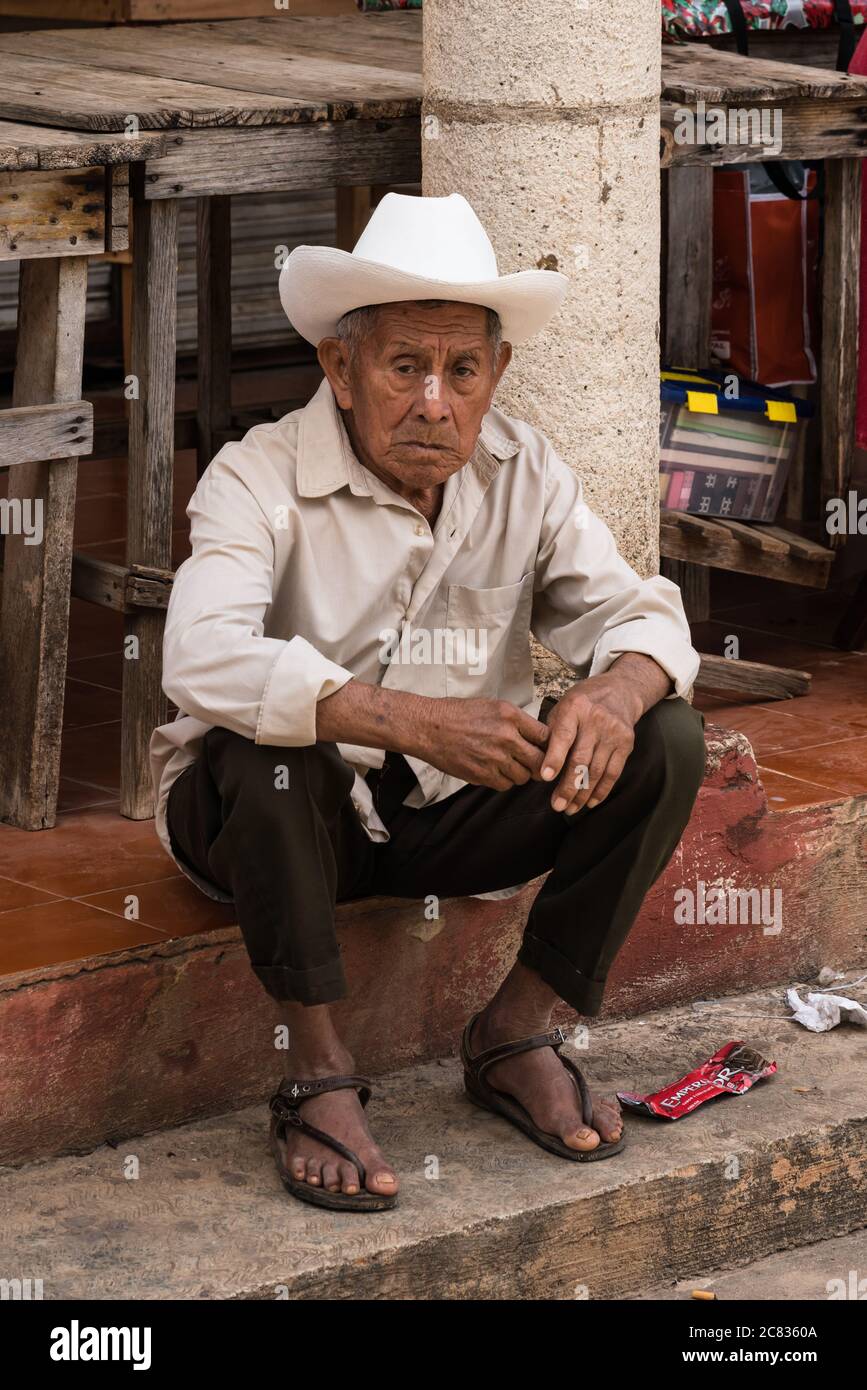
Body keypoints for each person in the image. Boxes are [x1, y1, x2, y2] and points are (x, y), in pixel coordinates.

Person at [150, 192, 705, 1213]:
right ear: (341, 370)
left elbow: (641, 615)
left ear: (496, 377)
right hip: (272, 824)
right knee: (270, 756)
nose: (435, 401)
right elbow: (197, 656)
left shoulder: (522, 470)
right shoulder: (257, 476)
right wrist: (399, 714)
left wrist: (619, 691)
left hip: (441, 811)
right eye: (405, 366)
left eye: (462, 371)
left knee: (667, 734)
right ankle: (317, 1071)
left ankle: (517, 1028)